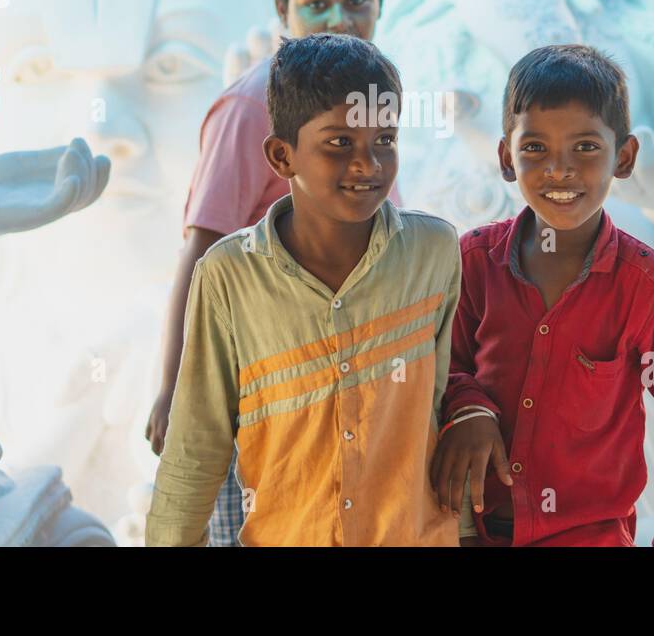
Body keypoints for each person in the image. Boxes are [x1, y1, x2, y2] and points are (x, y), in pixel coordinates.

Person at [146, 34, 459, 546]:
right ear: (281, 156)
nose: (369, 164)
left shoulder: (434, 252)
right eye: (340, 142)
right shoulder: (229, 278)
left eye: (385, 139)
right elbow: (196, 446)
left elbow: (445, 399)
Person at [145, 0, 393, 544]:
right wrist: (173, 391)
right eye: (317, 3)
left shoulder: (376, 103)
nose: (340, 19)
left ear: (379, 4)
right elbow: (202, 253)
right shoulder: (253, 104)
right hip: (252, 399)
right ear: (284, 8)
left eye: (357, 0)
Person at [431, 44, 654, 546]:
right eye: (535, 149)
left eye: (586, 148)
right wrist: (470, 407)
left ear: (625, 157)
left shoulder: (652, 290)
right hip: (467, 533)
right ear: (506, 157)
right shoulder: (474, 263)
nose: (560, 170)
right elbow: (442, 370)